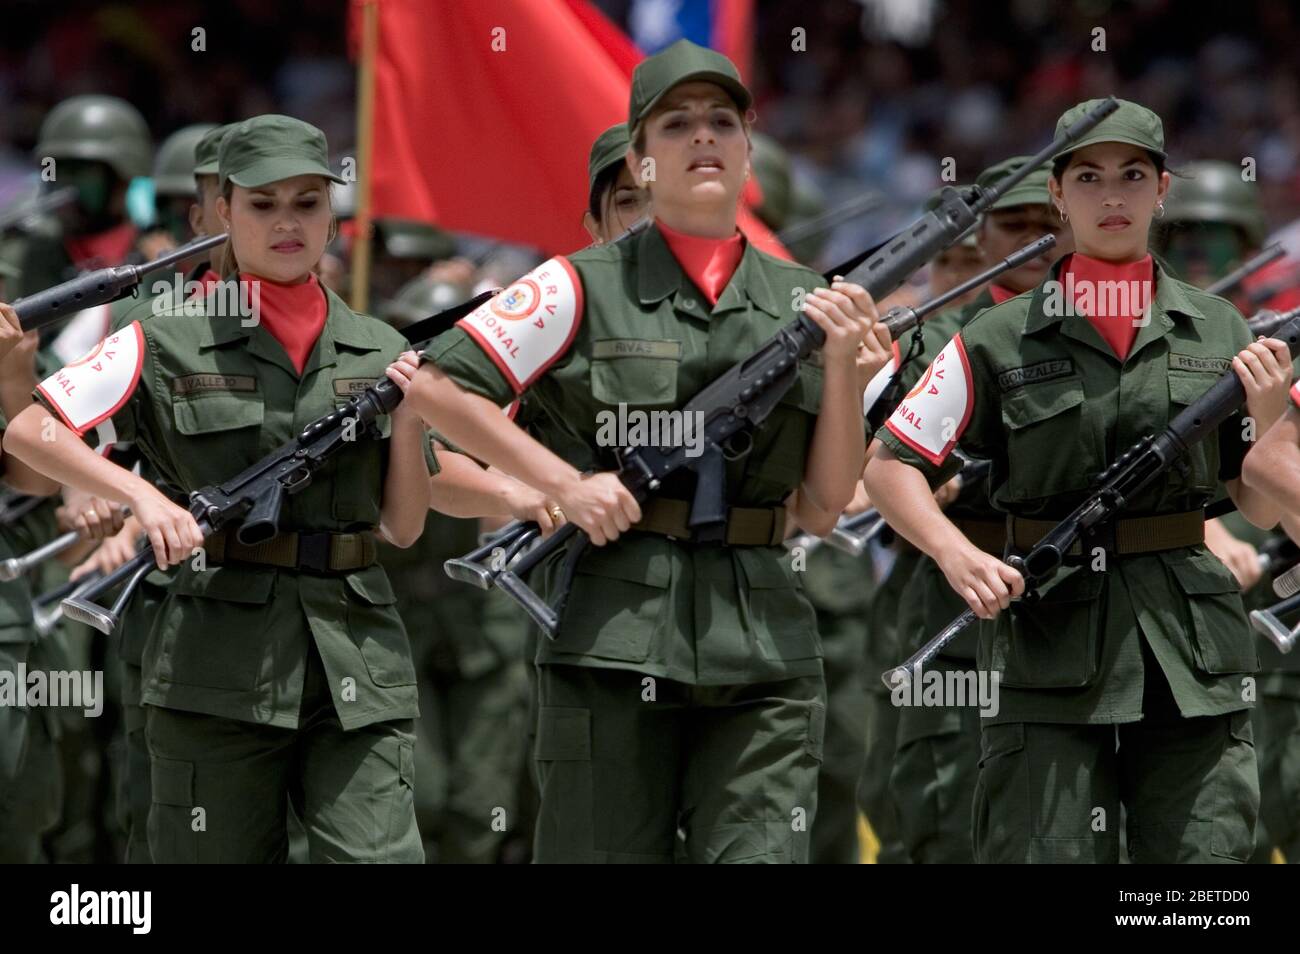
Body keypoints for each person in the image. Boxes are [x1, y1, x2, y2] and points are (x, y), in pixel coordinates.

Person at [405, 39, 891, 863]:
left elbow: (819, 503)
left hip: (764, 646)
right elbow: (432, 387)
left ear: (747, 151)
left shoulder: (805, 301)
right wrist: (562, 484)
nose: (703, 137)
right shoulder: (575, 284)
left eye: (721, 122)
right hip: (613, 636)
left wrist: (842, 373)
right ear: (643, 160)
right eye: (676, 125)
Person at [864, 99, 1292, 863]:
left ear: (1164, 191)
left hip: (1190, 652)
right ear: (1058, 196)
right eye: (1088, 177)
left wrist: (1266, 414)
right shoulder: (995, 336)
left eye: (1134, 175)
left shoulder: (1222, 328)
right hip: (1049, 649)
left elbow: (1255, 501)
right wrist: (956, 556)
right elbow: (892, 464)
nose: (1113, 196)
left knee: (1202, 881)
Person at [4, 114, 437, 863]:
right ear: (222, 214)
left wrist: (410, 419)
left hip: (355, 661)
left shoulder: (382, 347)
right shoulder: (162, 333)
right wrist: (143, 498)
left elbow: (403, 526)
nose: (287, 221)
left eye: (307, 202)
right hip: (215, 662)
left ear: (332, 217)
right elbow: (29, 432)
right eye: (262, 204)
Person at [884, 156, 1073, 863]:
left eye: (1043, 223)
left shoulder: (1109, 336)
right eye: (1011, 223)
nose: (1031, 237)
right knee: (949, 802)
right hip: (955, 592)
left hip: (1079, 594)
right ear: (980, 237)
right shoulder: (931, 340)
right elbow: (871, 474)